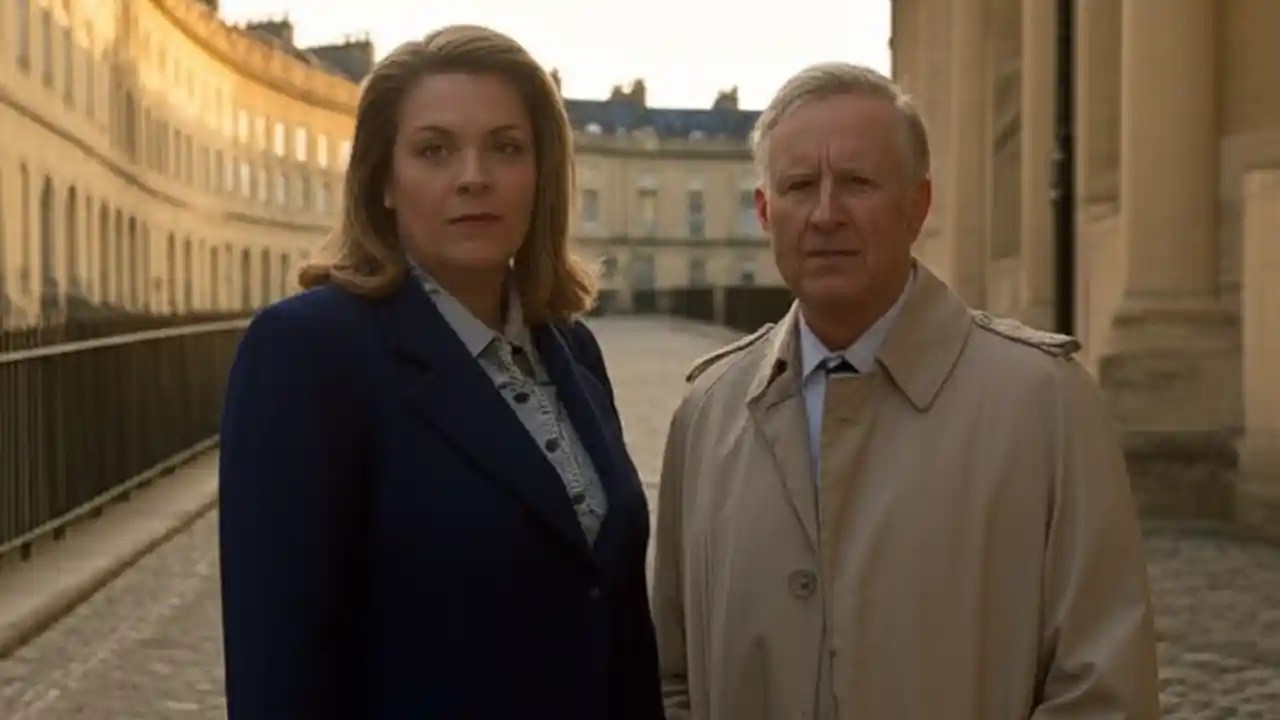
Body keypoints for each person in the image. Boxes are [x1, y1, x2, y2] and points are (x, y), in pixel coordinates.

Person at [651, 62, 1160, 719]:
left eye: (857, 183)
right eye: (800, 186)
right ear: (765, 211)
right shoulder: (706, 413)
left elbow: (1105, 689)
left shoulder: (1044, 404)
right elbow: (671, 678)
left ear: (918, 206)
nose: (826, 215)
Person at [218, 25, 662, 719]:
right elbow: (278, 664)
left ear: (541, 175)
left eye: (506, 148)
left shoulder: (572, 350)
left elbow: (613, 613)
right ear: (383, 181)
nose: (474, 176)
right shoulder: (307, 353)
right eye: (434, 150)